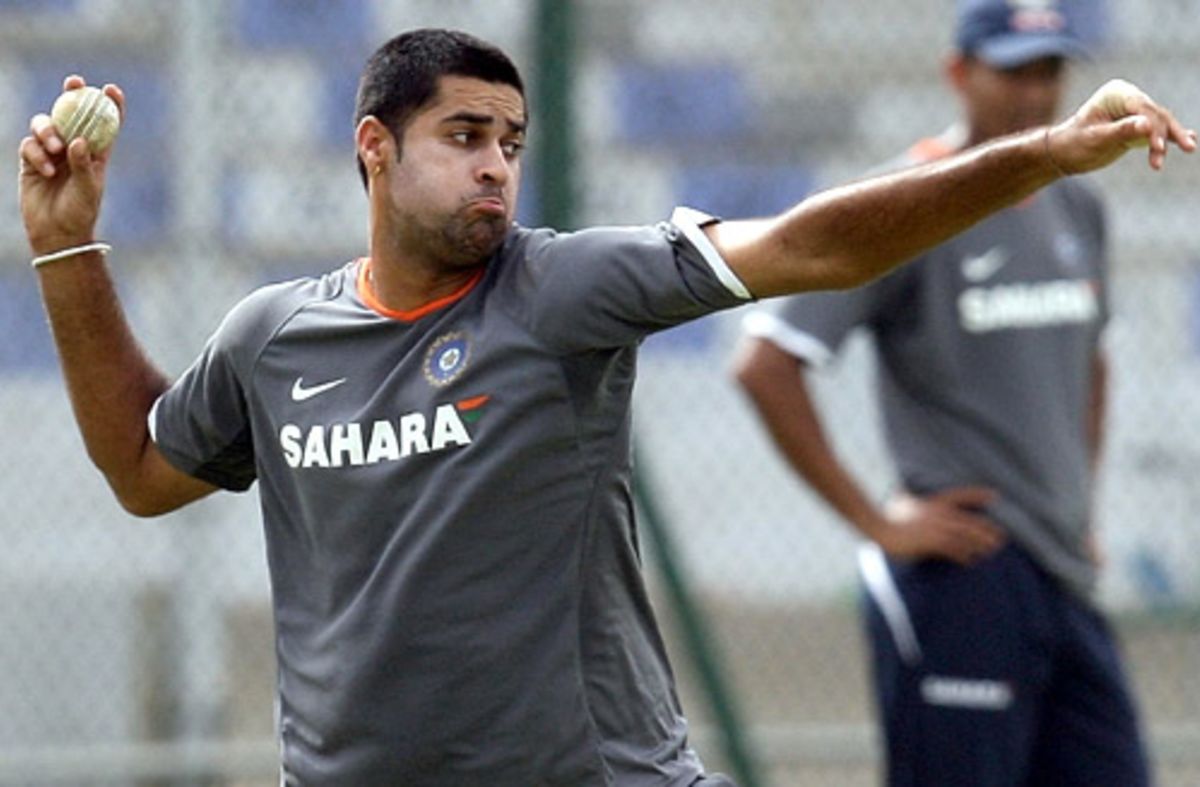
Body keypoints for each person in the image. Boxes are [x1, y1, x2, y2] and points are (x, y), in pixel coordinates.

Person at [18, 26, 1193, 787]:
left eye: (512, 141)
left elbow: (816, 248)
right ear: (374, 146)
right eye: (464, 136)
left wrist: (1040, 154)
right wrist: (68, 252)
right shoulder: (275, 338)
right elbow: (141, 470)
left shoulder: (560, 287)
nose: (496, 164)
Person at [733, 2, 1171, 785]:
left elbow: (1092, 360)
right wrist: (875, 520)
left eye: (1049, 71)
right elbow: (766, 361)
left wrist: (1079, 502)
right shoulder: (905, 202)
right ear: (959, 73)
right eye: (1013, 71)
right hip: (965, 570)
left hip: (1063, 570)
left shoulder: (1078, 203)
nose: (1035, 92)